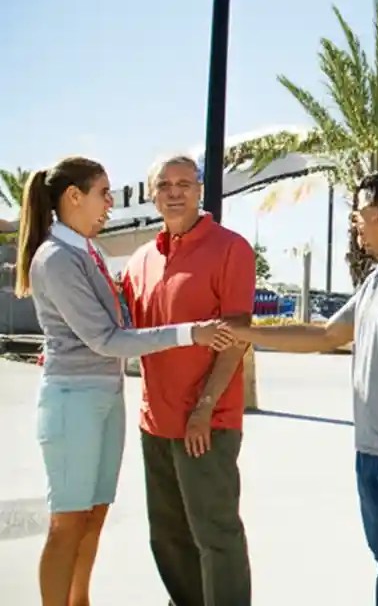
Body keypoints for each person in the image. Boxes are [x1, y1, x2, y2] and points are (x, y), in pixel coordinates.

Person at [223, 171, 378, 606]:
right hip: (372, 452)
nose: (356, 226)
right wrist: (247, 333)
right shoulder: (377, 281)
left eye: (360, 216)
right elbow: (326, 335)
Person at [13, 156, 233, 606]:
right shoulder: (56, 258)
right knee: (67, 523)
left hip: (104, 398)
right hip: (73, 402)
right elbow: (106, 339)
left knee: (93, 515)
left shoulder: (86, 252)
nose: (110, 204)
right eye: (103, 193)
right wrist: (190, 331)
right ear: (73, 197)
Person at [119, 154, 257, 606]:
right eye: (164, 185)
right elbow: (122, 333)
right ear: (152, 194)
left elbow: (236, 337)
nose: (174, 192)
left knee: (215, 536)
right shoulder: (140, 260)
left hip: (208, 422)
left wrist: (204, 407)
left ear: (200, 190)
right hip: (154, 423)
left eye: (184, 183)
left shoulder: (230, 248)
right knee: (168, 538)